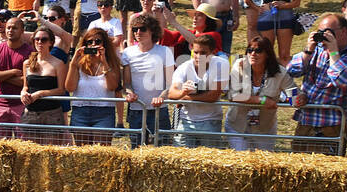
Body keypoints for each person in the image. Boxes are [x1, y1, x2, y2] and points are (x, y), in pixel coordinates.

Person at [285, 13, 347, 153]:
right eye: (320, 32)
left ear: (343, 32)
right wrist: (308, 50)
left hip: (332, 125)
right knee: (298, 170)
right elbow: (291, 71)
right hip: (306, 120)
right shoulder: (316, 50)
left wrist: (334, 52)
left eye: (328, 32)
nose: (323, 36)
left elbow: (341, 80)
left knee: (323, 171)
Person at [225, 36, 292, 150]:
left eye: (258, 51)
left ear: (267, 54)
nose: (253, 54)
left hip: (264, 128)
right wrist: (261, 100)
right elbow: (233, 95)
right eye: (250, 50)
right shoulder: (239, 65)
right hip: (237, 125)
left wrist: (299, 98)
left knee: (263, 164)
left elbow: (292, 93)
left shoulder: (280, 73)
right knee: (242, 161)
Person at [120, 13, 174, 146]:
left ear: (152, 30)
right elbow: (126, 83)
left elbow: (171, 83)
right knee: (137, 149)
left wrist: (161, 97)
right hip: (136, 109)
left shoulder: (164, 51)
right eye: (135, 29)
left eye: (142, 29)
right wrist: (129, 93)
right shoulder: (128, 53)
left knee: (162, 150)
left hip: (159, 110)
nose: (138, 32)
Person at [166, 34, 227, 147]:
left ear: (213, 52)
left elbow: (213, 96)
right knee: (180, 157)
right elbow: (171, 93)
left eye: (203, 53)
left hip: (211, 120)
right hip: (186, 120)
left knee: (209, 159)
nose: (198, 56)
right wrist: (183, 92)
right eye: (196, 52)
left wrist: (184, 97)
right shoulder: (184, 67)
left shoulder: (221, 64)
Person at [64, 27, 121, 145]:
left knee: (102, 153)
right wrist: (73, 63)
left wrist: (104, 62)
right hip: (81, 110)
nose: (94, 45)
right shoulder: (79, 63)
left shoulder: (111, 62)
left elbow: (112, 87)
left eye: (98, 41)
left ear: (104, 43)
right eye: (89, 42)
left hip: (104, 111)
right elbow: (69, 88)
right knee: (83, 154)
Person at [0, 16, 34, 140]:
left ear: (22, 31)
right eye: (8, 28)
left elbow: (28, 81)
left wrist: (0, 75)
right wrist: (12, 72)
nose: (10, 31)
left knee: (23, 144)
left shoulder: (30, 52)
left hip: (21, 104)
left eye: (15, 28)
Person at [18, 26, 68, 144]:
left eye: (44, 39)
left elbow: (61, 90)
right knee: (30, 153)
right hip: (30, 113)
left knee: (51, 154)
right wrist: (23, 92)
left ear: (50, 42)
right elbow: (25, 85)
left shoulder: (58, 63)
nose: (40, 42)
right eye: (37, 39)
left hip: (51, 114)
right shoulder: (27, 63)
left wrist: (40, 94)